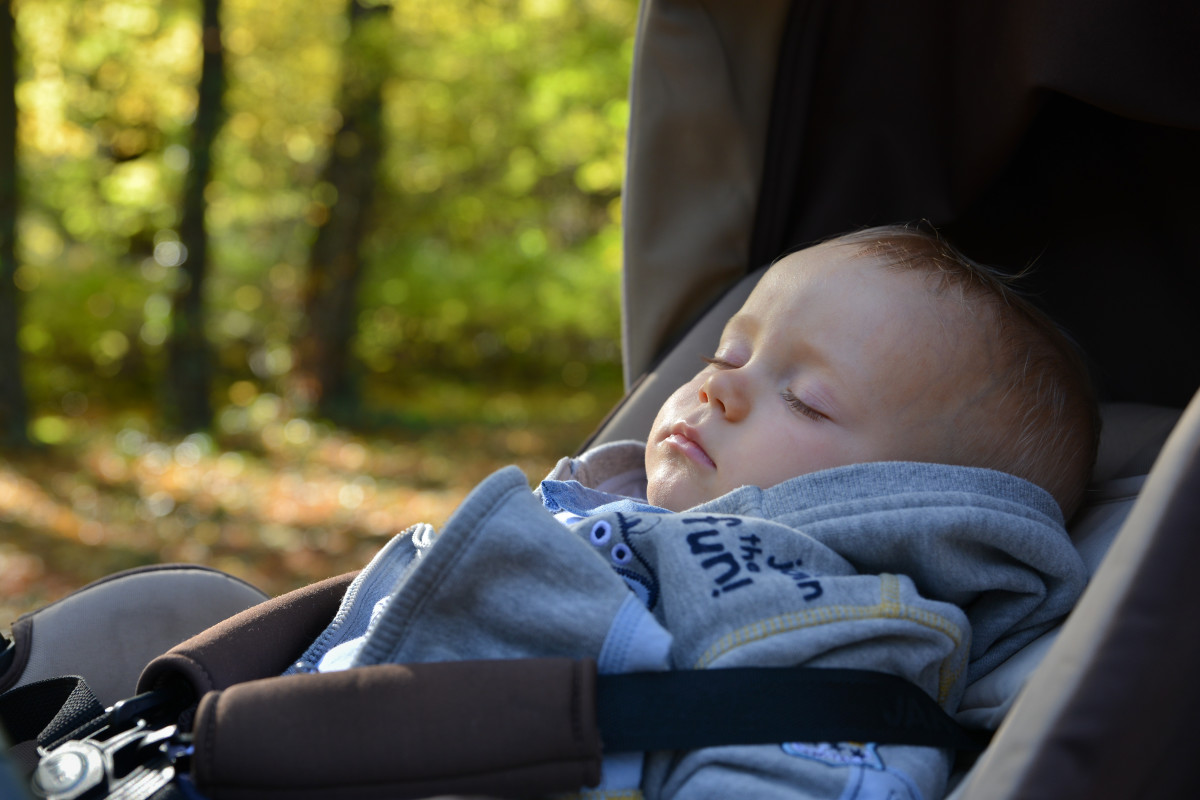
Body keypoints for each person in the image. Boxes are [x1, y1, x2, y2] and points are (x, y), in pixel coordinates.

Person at [288, 224, 1098, 800]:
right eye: (728, 352)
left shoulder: (829, 623)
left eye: (807, 400)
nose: (720, 386)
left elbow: (811, 773)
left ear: (915, 503)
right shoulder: (618, 512)